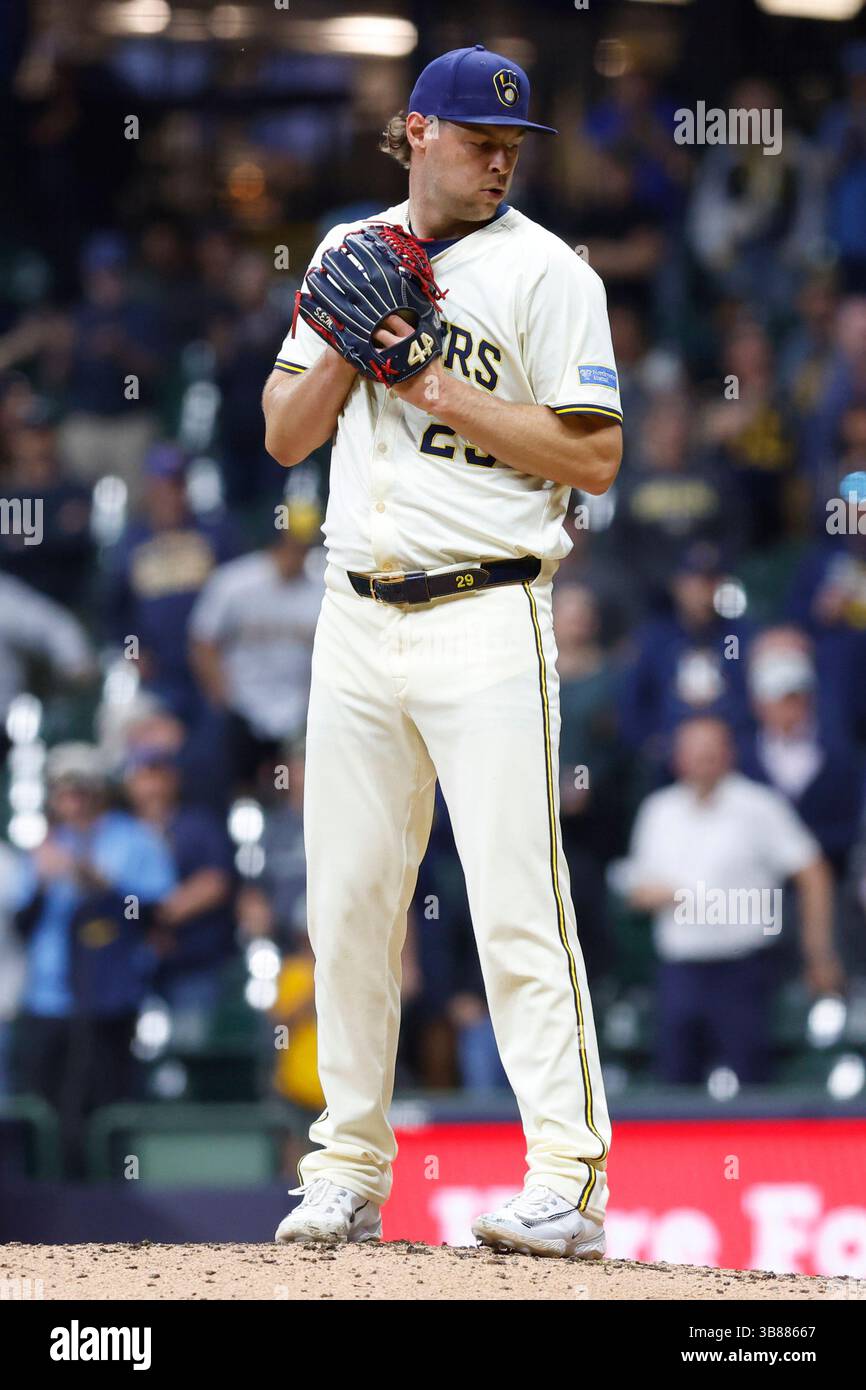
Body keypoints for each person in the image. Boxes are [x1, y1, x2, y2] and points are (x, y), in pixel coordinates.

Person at [264, 45, 621, 1258]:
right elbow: (280, 434)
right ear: (415, 131)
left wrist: (426, 379)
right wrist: (348, 341)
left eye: (512, 143)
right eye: (476, 137)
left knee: (519, 901)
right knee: (350, 904)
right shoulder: (346, 252)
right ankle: (350, 1168)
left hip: (487, 609)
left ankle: (566, 1181)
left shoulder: (549, 273)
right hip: (354, 618)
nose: (499, 156)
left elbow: (592, 457)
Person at [625, 717, 843, 1087]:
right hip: (679, 970)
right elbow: (636, 889)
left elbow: (812, 872)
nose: (702, 762)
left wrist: (818, 951)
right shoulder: (658, 811)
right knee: (674, 1090)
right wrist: (669, 895)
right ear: (678, 759)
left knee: (753, 1085)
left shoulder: (758, 806)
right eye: (694, 754)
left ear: (729, 755)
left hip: (743, 971)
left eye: (711, 753)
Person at [12, 743, 176, 1174]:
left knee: (108, 1107)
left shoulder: (132, 839)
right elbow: (21, 926)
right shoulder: (47, 847)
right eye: (64, 791)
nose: (73, 800)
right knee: (47, 1109)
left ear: (98, 791)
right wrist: (44, 882)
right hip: (48, 1000)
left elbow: (151, 914)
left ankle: (113, 1205)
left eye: (81, 790)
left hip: (108, 1000)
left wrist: (101, 883)